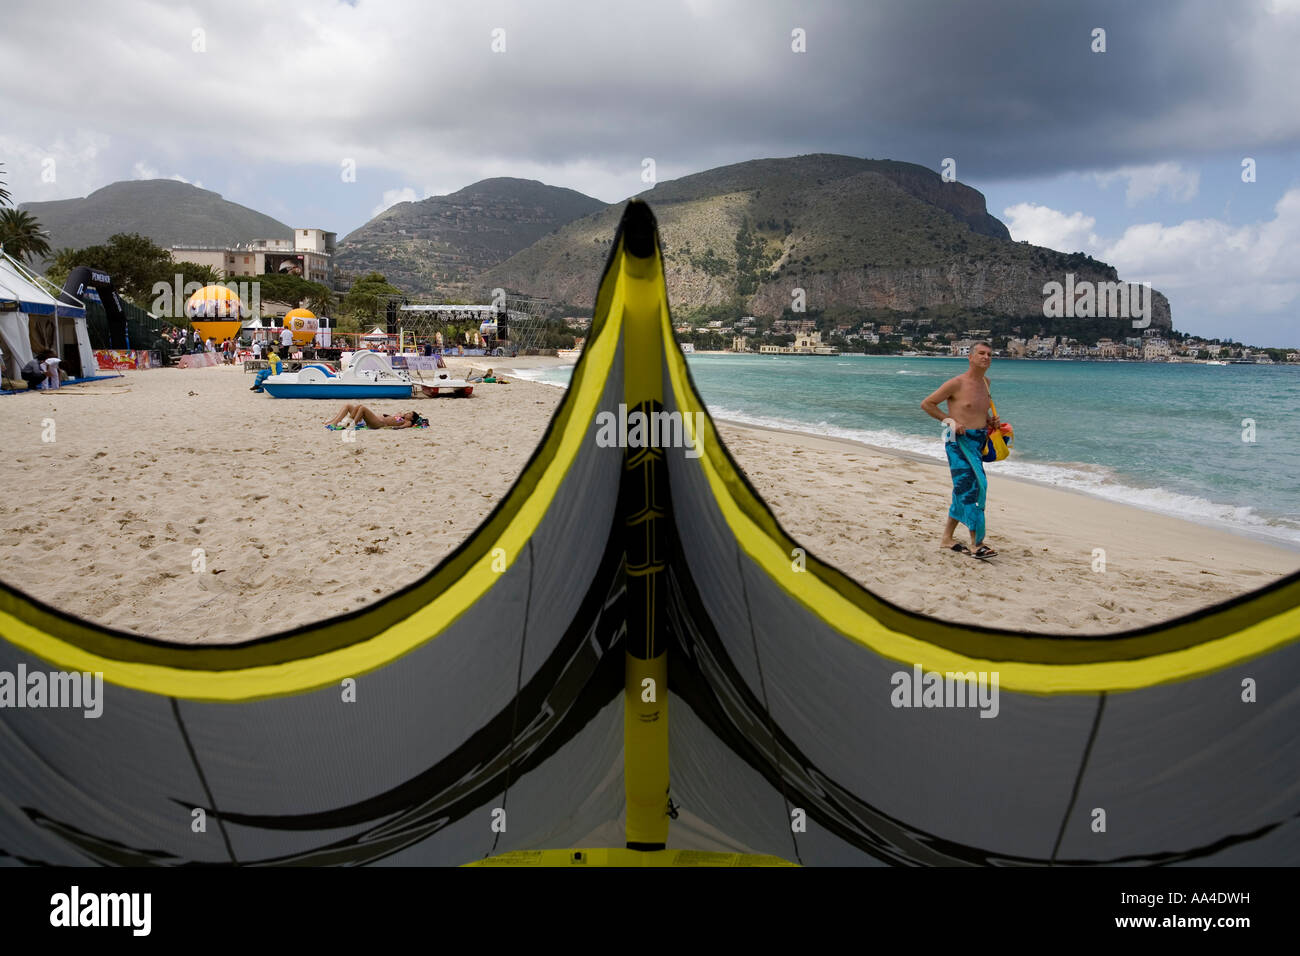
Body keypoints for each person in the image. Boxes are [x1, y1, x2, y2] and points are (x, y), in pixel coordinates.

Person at [921, 341, 1000, 559]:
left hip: (978, 442)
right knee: (975, 488)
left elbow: (977, 411)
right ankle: (977, 543)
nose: (986, 357)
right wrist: (949, 420)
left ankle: (947, 538)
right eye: (981, 353)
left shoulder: (986, 383)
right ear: (971, 357)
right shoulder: (956, 383)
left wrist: (989, 421)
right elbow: (927, 404)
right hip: (958, 442)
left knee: (962, 488)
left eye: (989, 354)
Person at [324, 403, 424, 429]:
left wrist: (394, 427)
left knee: (362, 408)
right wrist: (400, 415)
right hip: (375, 420)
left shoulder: (408, 422)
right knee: (349, 406)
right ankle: (334, 421)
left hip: (378, 424)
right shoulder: (402, 417)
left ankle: (352, 424)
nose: (407, 413)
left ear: (411, 418)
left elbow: (401, 427)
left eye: (409, 413)